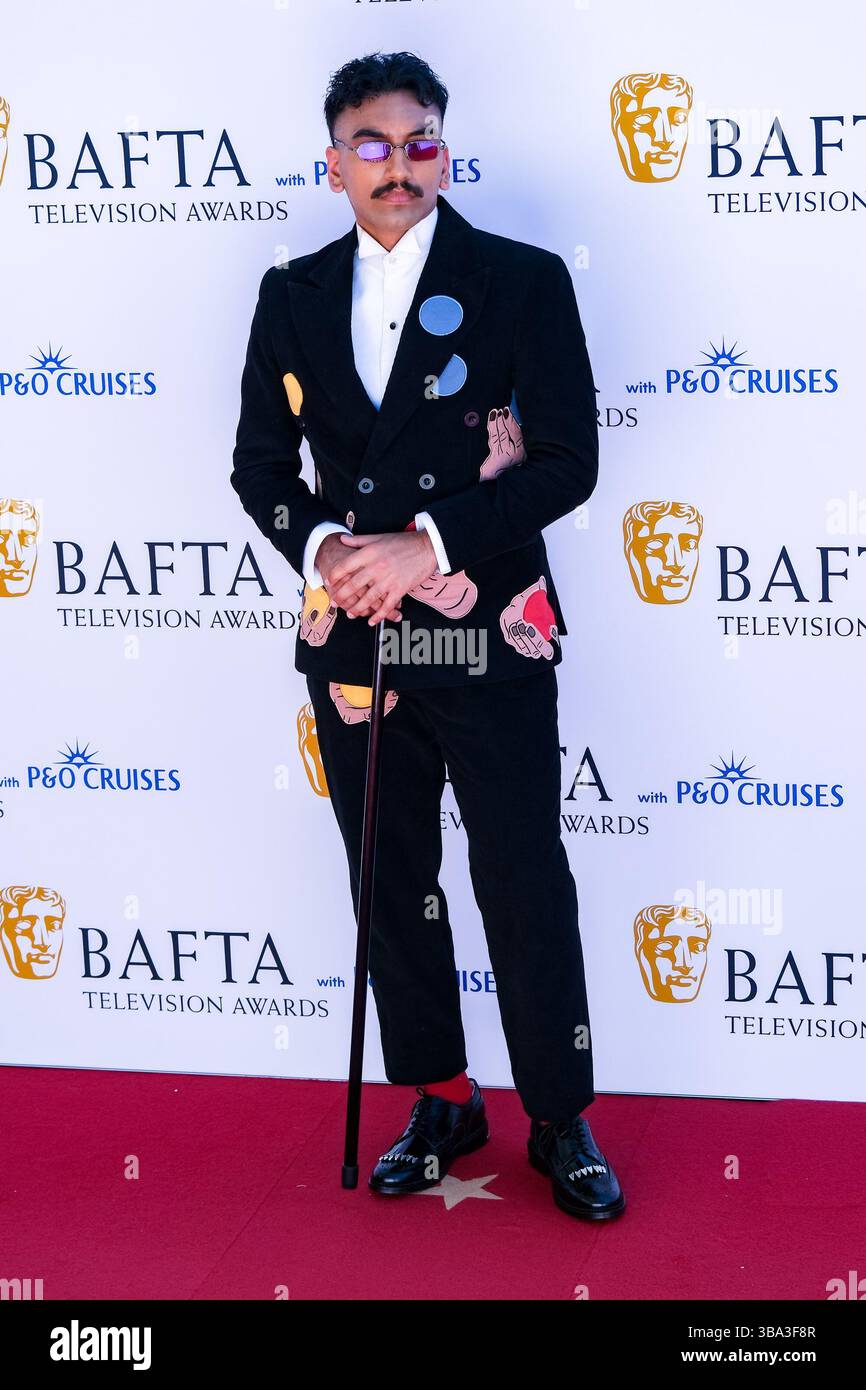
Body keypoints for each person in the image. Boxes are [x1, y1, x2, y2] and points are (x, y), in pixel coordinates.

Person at [231, 50, 624, 1221]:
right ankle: (442, 1096)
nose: (396, 165)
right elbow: (259, 469)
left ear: (442, 149)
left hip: (488, 627)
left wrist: (430, 545)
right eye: (370, 143)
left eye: (417, 141)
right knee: (390, 874)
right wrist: (330, 556)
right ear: (334, 161)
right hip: (354, 644)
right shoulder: (289, 292)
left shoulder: (520, 280)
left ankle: (558, 1115)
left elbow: (567, 463)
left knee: (518, 871)